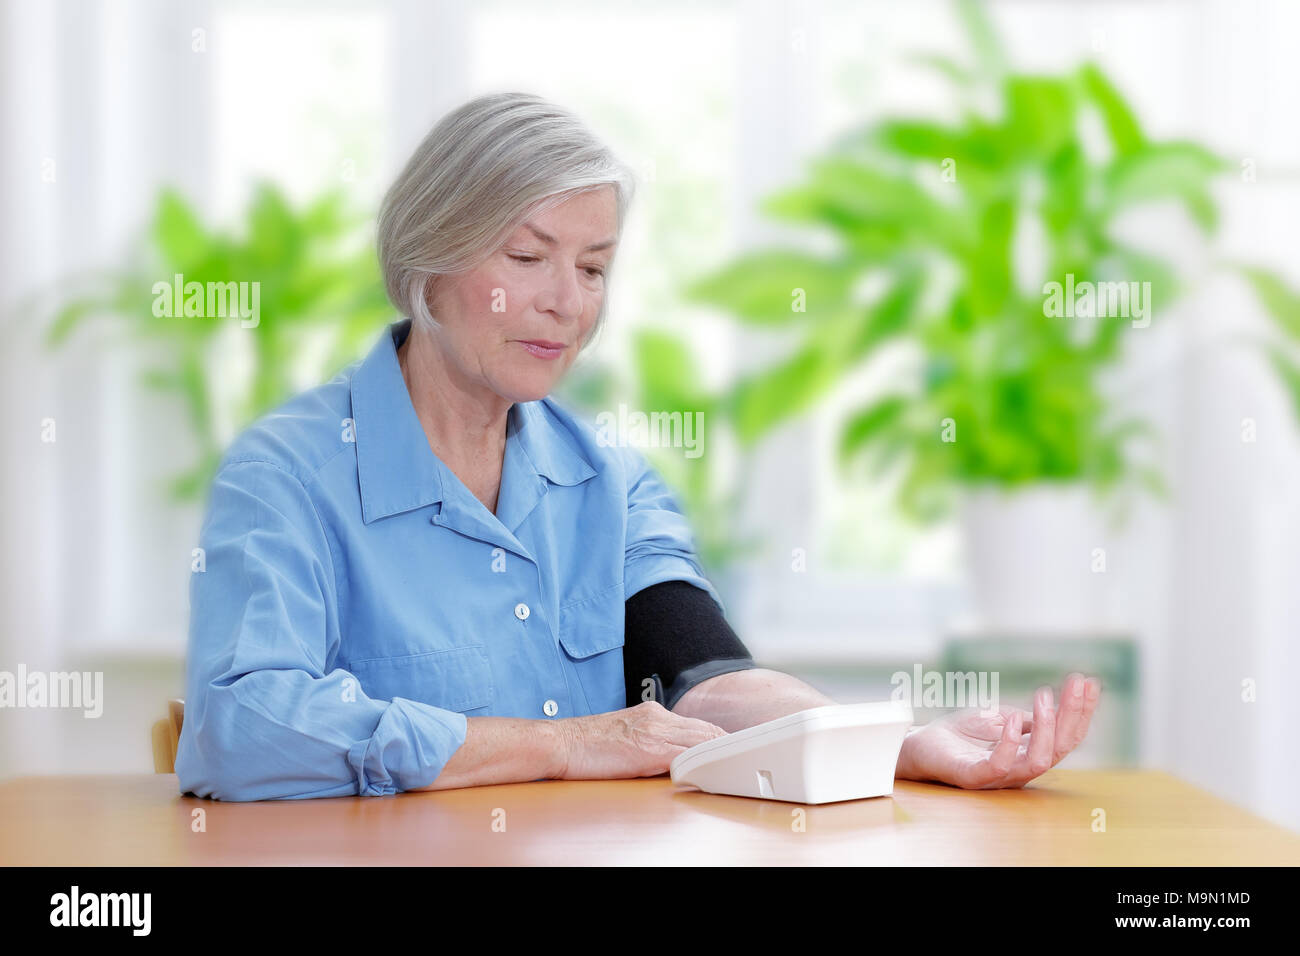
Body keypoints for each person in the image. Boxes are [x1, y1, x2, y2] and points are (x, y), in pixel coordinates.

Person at [175, 92, 1101, 801]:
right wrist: (564, 744)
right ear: (426, 260)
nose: (567, 302)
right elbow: (239, 728)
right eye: (528, 258)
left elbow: (706, 682)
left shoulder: (609, 480)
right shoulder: (287, 474)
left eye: (592, 268)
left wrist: (894, 743)